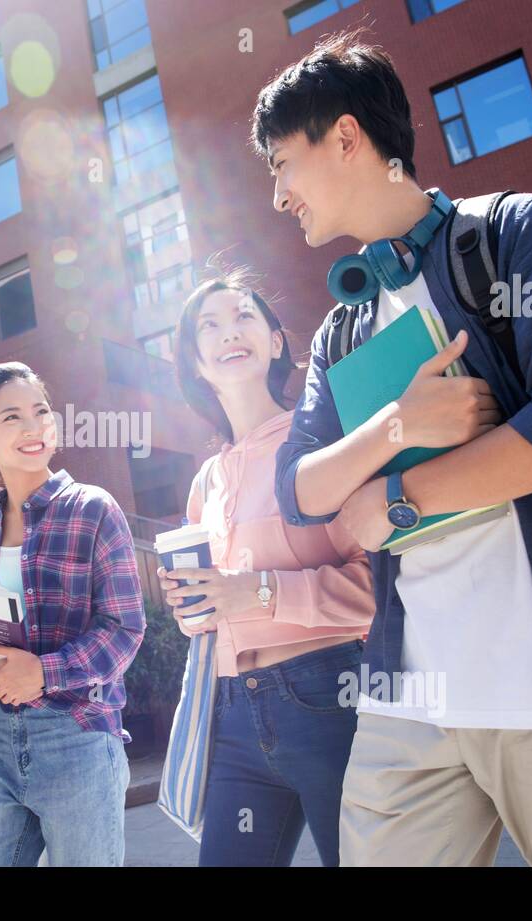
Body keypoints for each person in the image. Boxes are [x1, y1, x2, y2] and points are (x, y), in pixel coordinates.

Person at [253, 29, 532, 866]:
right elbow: (301, 494)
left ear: (346, 137)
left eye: (282, 162)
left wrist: (393, 499)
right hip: (410, 706)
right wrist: (401, 429)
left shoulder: (519, 231)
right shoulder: (340, 329)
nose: (278, 193)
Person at [160, 270, 376, 866]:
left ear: (276, 341)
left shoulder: (321, 443)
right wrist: (193, 606)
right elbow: (210, 620)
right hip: (230, 716)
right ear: (195, 363)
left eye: (244, 317)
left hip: (329, 698)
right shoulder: (206, 482)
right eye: (209, 326)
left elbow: (378, 587)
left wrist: (255, 592)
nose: (229, 333)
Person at [0, 362, 144, 866]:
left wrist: (42, 673)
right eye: (12, 417)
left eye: (41, 412)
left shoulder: (92, 508)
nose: (33, 428)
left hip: (79, 738)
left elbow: (124, 629)